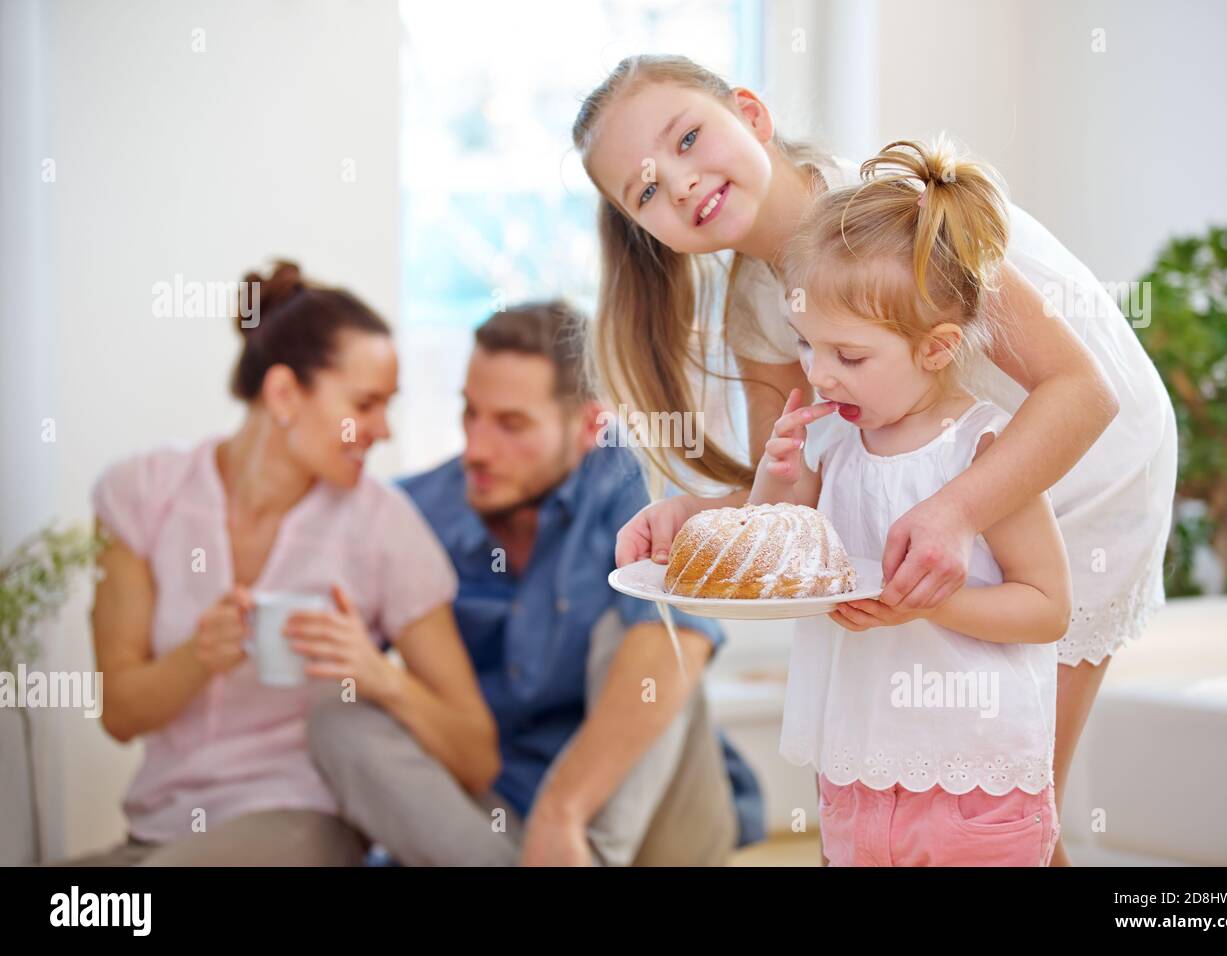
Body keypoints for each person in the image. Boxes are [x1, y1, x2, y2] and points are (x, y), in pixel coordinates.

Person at [572, 55, 1177, 864]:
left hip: (1084, 467)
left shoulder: (899, 215)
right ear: (639, 225)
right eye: (644, 190)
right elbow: (793, 498)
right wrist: (693, 521)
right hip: (942, 495)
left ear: (750, 114)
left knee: (1012, 801)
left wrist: (958, 508)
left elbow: (1082, 394)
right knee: (949, 801)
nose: (678, 183)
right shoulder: (756, 310)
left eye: (688, 138)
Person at [63, 261, 492, 866]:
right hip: (159, 832)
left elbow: (477, 752)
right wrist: (197, 658)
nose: (382, 430)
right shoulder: (144, 493)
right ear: (286, 394)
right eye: (365, 404)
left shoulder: (385, 527)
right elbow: (119, 714)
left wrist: (375, 673)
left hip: (301, 825)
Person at [308, 302, 763, 866]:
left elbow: (684, 640)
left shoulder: (635, 480)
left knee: (654, 634)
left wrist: (561, 812)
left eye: (511, 424)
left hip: (641, 815)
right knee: (339, 721)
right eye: (470, 414)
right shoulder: (414, 511)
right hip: (494, 814)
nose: (476, 448)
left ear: (589, 426)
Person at [754, 138, 1069, 865]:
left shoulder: (982, 453)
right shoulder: (835, 441)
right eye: (807, 345)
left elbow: (1047, 608)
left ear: (936, 348)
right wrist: (778, 471)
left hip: (973, 781)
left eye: (849, 356)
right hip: (860, 770)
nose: (820, 375)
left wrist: (932, 603)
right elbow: (784, 536)